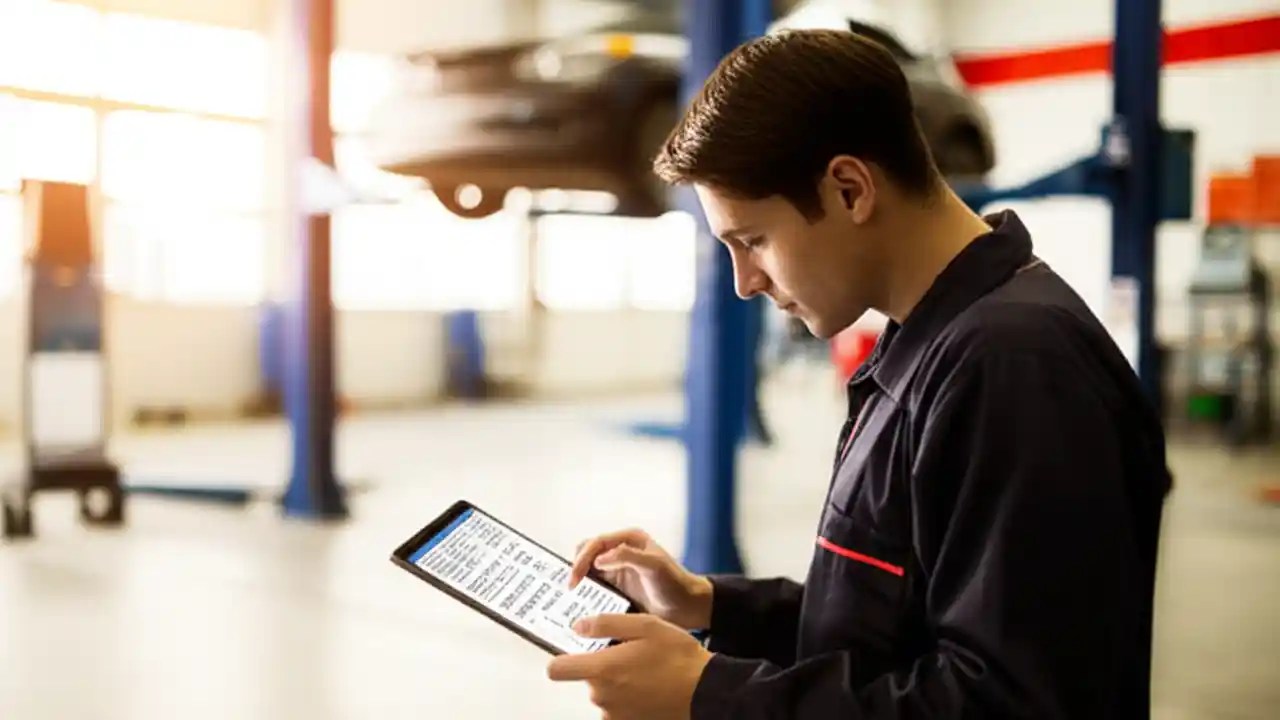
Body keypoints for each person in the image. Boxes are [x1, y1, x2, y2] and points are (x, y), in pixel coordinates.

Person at [545, 28, 1172, 720]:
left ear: (849, 189)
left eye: (752, 240)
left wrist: (713, 695)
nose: (744, 282)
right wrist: (711, 603)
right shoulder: (933, 339)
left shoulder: (1013, 367)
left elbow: (1007, 703)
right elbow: (891, 617)